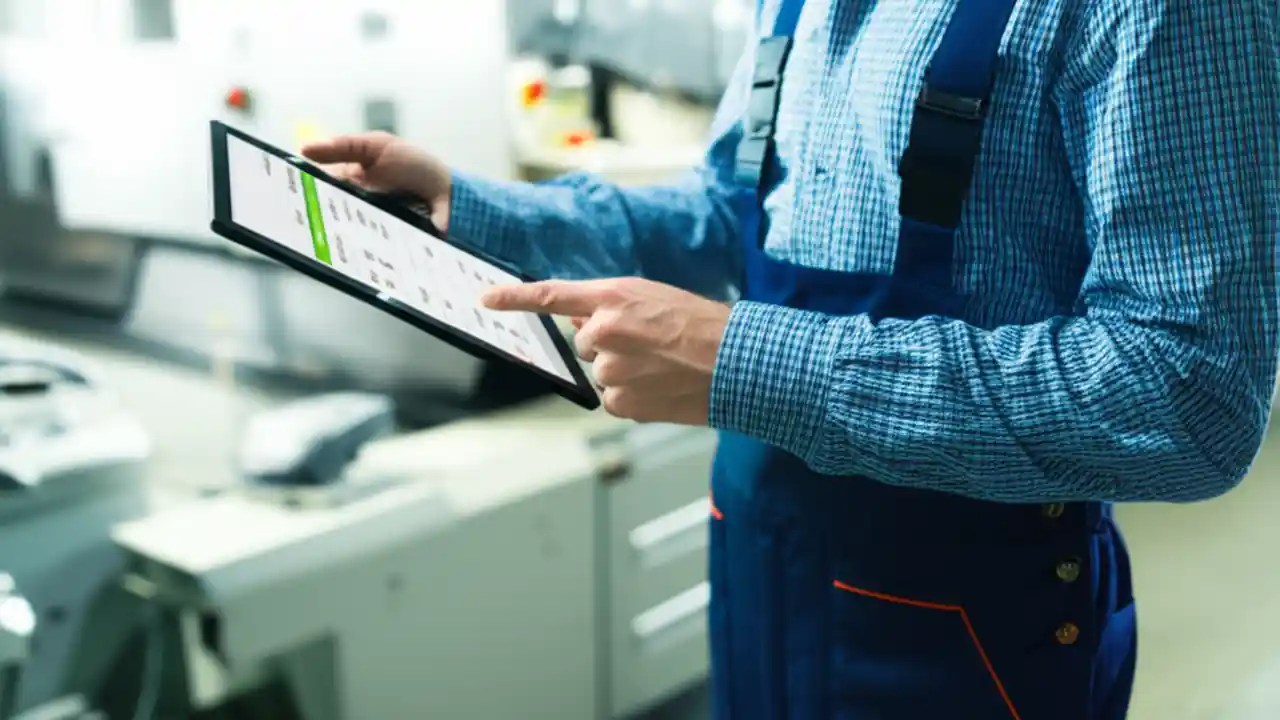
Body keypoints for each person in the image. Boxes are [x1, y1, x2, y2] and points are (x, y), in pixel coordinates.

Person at [302, 0, 1279, 716]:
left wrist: (747, 361)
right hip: (765, 568)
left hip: (969, 628)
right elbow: (729, 214)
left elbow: (1185, 391)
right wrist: (472, 210)